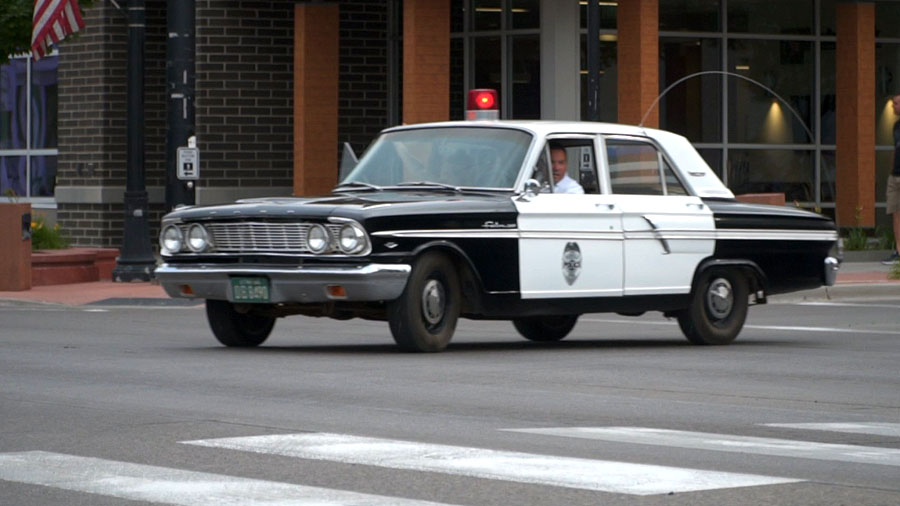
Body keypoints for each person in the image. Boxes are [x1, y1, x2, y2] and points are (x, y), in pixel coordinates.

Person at [883, 94, 900, 265]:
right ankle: (898, 250)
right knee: (895, 213)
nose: (892, 106)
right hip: (895, 176)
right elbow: (895, 149)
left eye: (895, 103)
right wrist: (891, 170)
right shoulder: (896, 126)